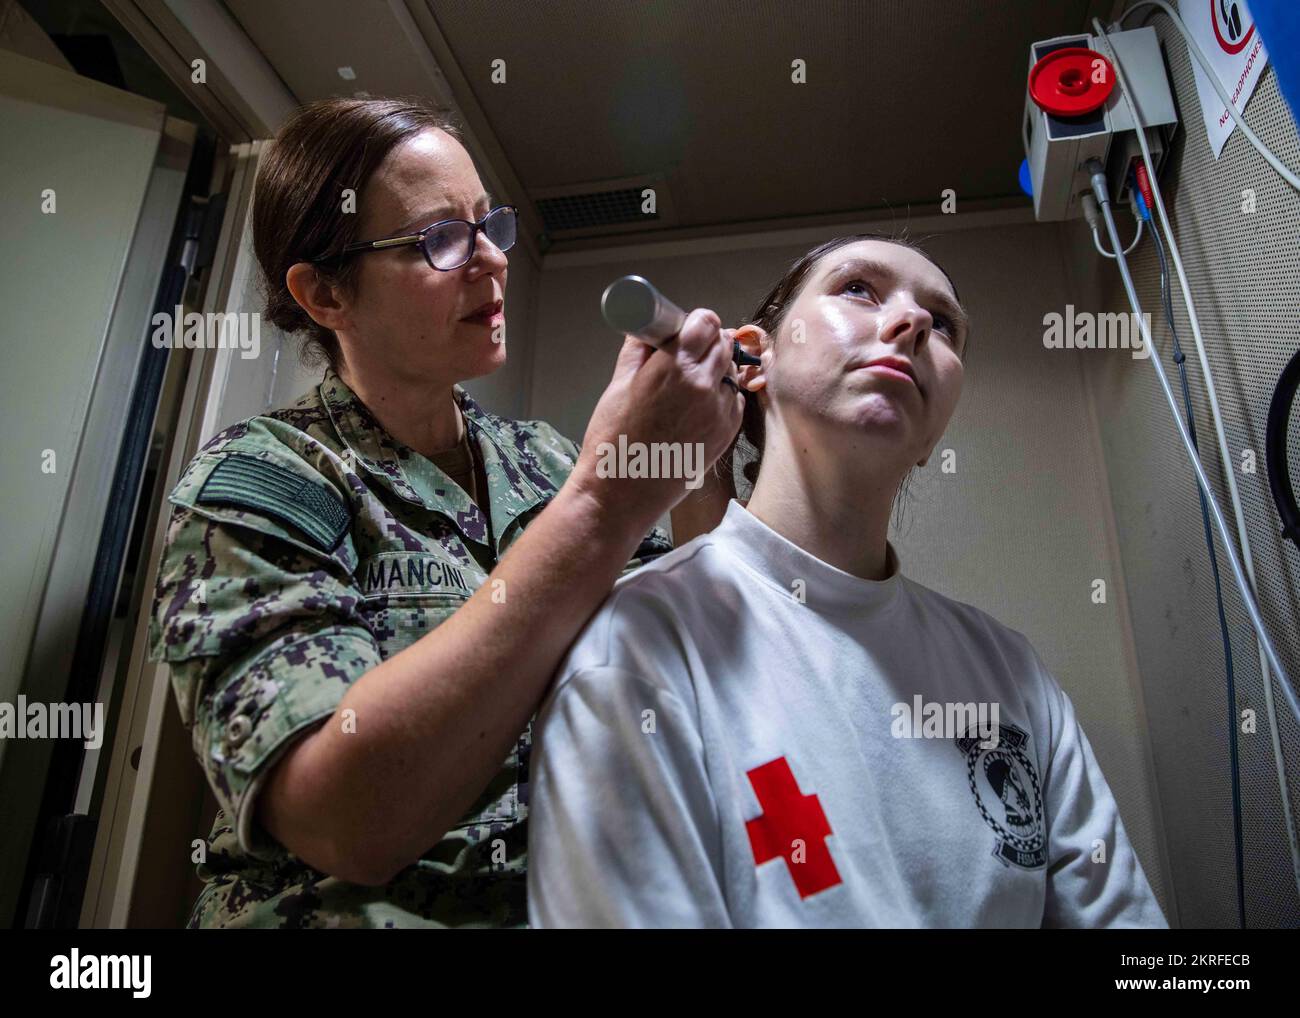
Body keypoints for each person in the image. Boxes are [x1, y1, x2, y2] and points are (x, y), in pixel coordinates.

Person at [147, 96, 743, 928]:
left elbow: (688, 656)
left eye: (487, 224)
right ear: (324, 294)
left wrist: (696, 458)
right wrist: (605, 502)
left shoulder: (543, 461)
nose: (493, 261)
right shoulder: (260, 482)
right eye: (439, 240)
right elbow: (345, 819)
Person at [526, 234, 1169, 928]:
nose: (914, 322)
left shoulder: (1011, 674)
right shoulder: (642, 645)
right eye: (859, 288)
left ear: (933, 439)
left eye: (943, 322)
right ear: (753, 363)